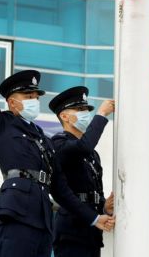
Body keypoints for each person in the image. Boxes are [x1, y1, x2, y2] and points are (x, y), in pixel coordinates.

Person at [0, 19, 114, 257]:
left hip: (43, 221)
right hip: (16, 215)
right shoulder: (1, 125)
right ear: (12, 102)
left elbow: (61, 189)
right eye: (28, 95)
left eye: (36, 95)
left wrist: (94, 218)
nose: (34, 99)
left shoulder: (42, 138)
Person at [49, 86, 115, 257]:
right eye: (79, 109)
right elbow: (83, 146)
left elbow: (89, 189)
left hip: (91, 232)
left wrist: (104, 206)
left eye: (87, 109)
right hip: (71, 231)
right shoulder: (59, 144)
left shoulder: (93, 154)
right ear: (64, 116)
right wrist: (101, 115)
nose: (85, 113)